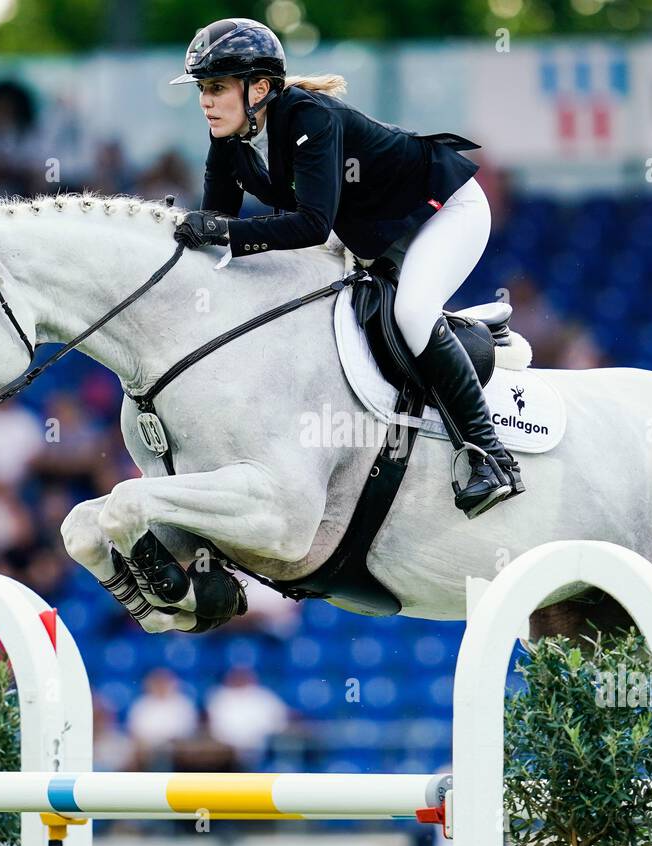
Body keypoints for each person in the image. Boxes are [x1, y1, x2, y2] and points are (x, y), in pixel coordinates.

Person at [169, 17, 522, 518]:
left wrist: (221, 232)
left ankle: (491, 457)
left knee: (414, 313)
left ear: (260, 88)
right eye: (203, 88)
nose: (205, 100)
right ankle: (468, 334)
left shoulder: (312, 119)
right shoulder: (227, 141)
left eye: (217, 87)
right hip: (373, 230)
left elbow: (311, 226)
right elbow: (217, 227)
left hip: (443, 209)